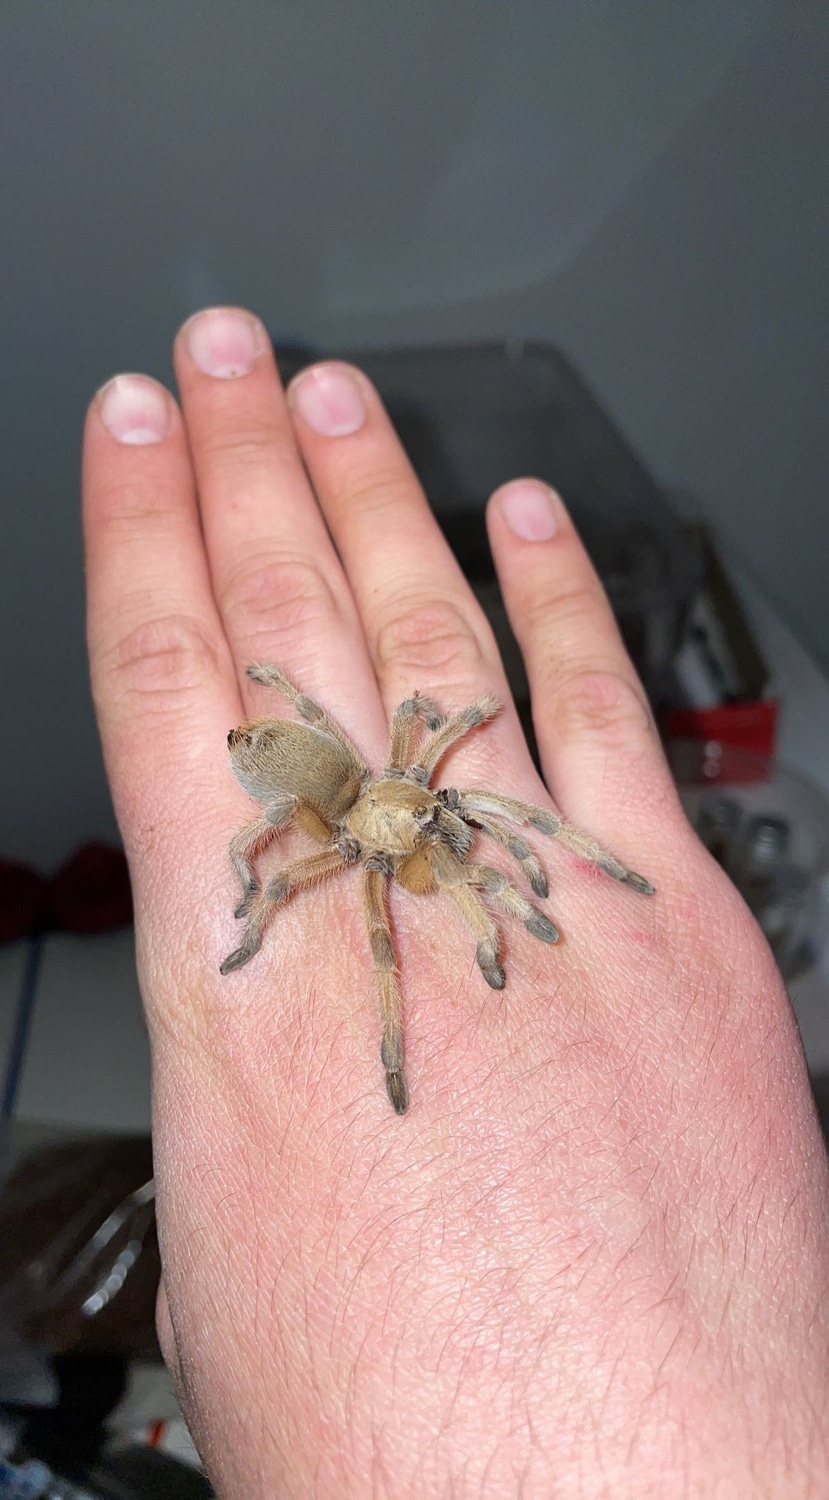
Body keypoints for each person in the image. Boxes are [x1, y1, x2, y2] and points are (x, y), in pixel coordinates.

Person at [82, 306, 829, 1497]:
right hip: (337, 804)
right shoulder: (350, 842)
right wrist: (262, 911)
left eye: (434, 809)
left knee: (476, 836)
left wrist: (541, 889)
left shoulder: (424, 790)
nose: (442, 822)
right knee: (364, 916)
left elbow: (461, 736)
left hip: (376, 791)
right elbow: (301, 869)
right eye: (432, 815)